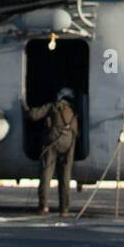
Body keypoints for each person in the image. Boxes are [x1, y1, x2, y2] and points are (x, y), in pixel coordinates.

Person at [28, 87, 81, 215]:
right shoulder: (74, 111)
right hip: (69, 144)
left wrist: (24, 106)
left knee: (46, 175)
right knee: (65, 178)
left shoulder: (53, 106)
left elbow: (33, 115)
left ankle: (44, 206)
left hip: (52, 143)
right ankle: (64, 209)